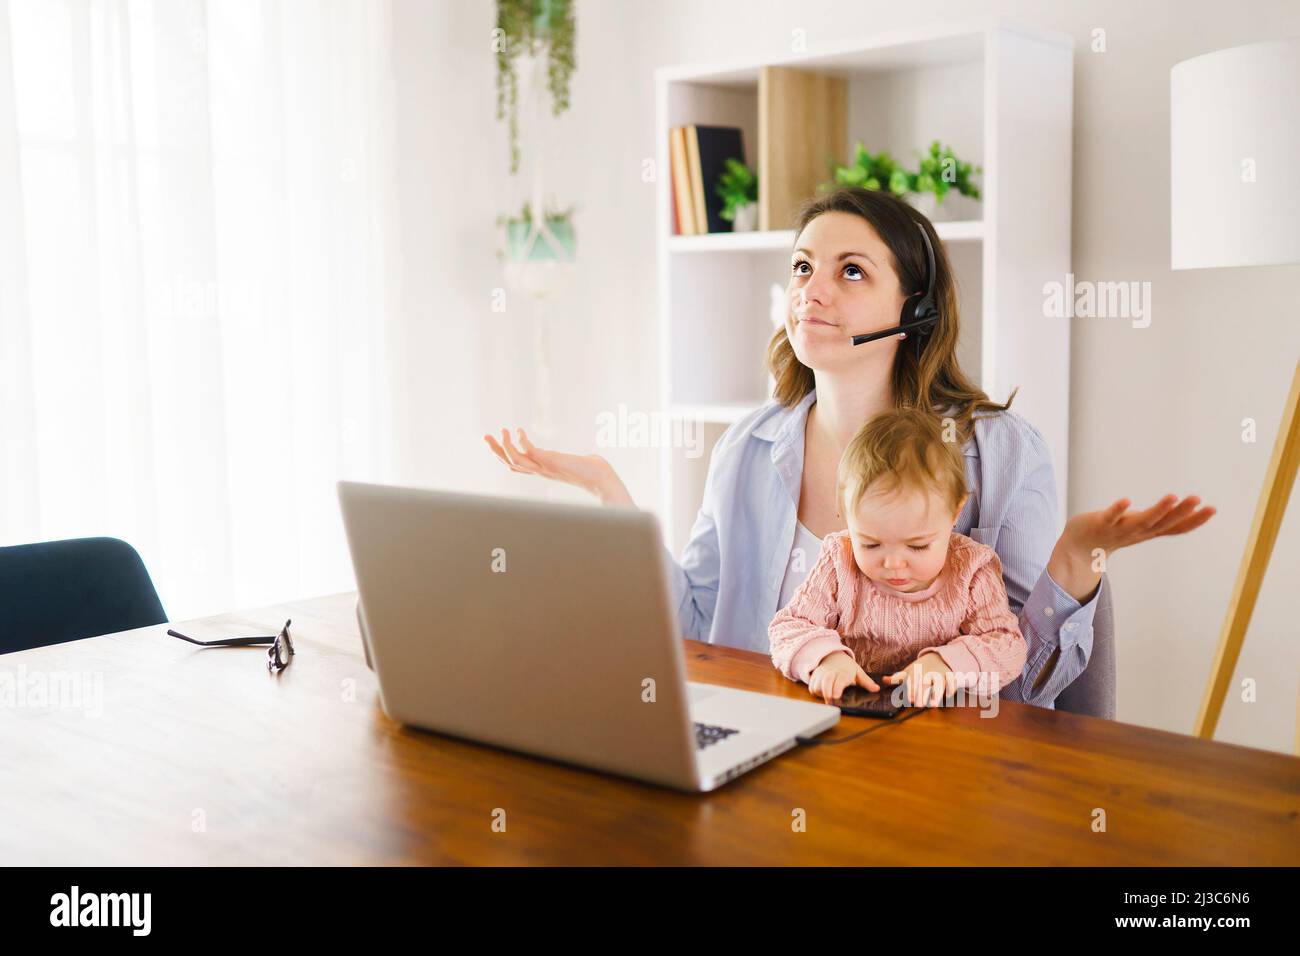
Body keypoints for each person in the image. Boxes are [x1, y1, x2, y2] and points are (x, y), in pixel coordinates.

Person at [485, 187, 1215, 708]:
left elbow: (1019, 689)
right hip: (764, 747)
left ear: (915, 311)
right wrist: (615, 501)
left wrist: (1075, 561)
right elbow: (697, 632)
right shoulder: (748, 446)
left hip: (931, 778)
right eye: (803, 267)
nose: (812, 291)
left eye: (851, 271)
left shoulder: (998, 453)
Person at [770, 406, 1025, 707]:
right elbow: (787, 627)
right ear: (845, 514)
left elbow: (1008, 646)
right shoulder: (839, 559)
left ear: (955, 512)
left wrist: (946, 665)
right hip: (855, 716)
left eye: (917, 546)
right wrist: (826, 658)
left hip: (943, 725)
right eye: (871, 544)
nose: (892, 564)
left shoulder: (970, 569)